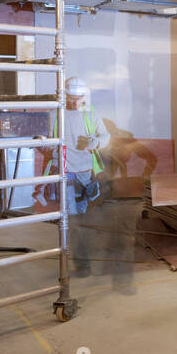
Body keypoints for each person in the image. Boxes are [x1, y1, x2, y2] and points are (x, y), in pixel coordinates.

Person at [36, 77, 134, 294]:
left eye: (78, 99)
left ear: (84, 97)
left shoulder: (90, 113)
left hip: (88, 175)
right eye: (70, 99)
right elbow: (43, 141)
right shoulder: (55, 114)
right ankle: (82, 264)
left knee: (90, 218)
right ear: (65, 96)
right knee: (74, 221)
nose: (74, 103)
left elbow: (105, 137)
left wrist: (94, 143)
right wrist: (47, 146)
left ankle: (92, 260)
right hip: (67, 174)